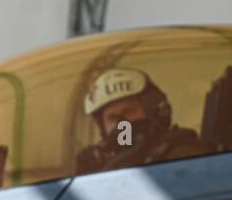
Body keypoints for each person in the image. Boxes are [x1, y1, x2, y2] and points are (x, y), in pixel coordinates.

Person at [75, 66, 206, 174]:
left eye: (128, 111)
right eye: (112, 117)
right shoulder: (99, 167)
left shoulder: (180, 155)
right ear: (102, 128)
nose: (121, 123)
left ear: (152, 112)